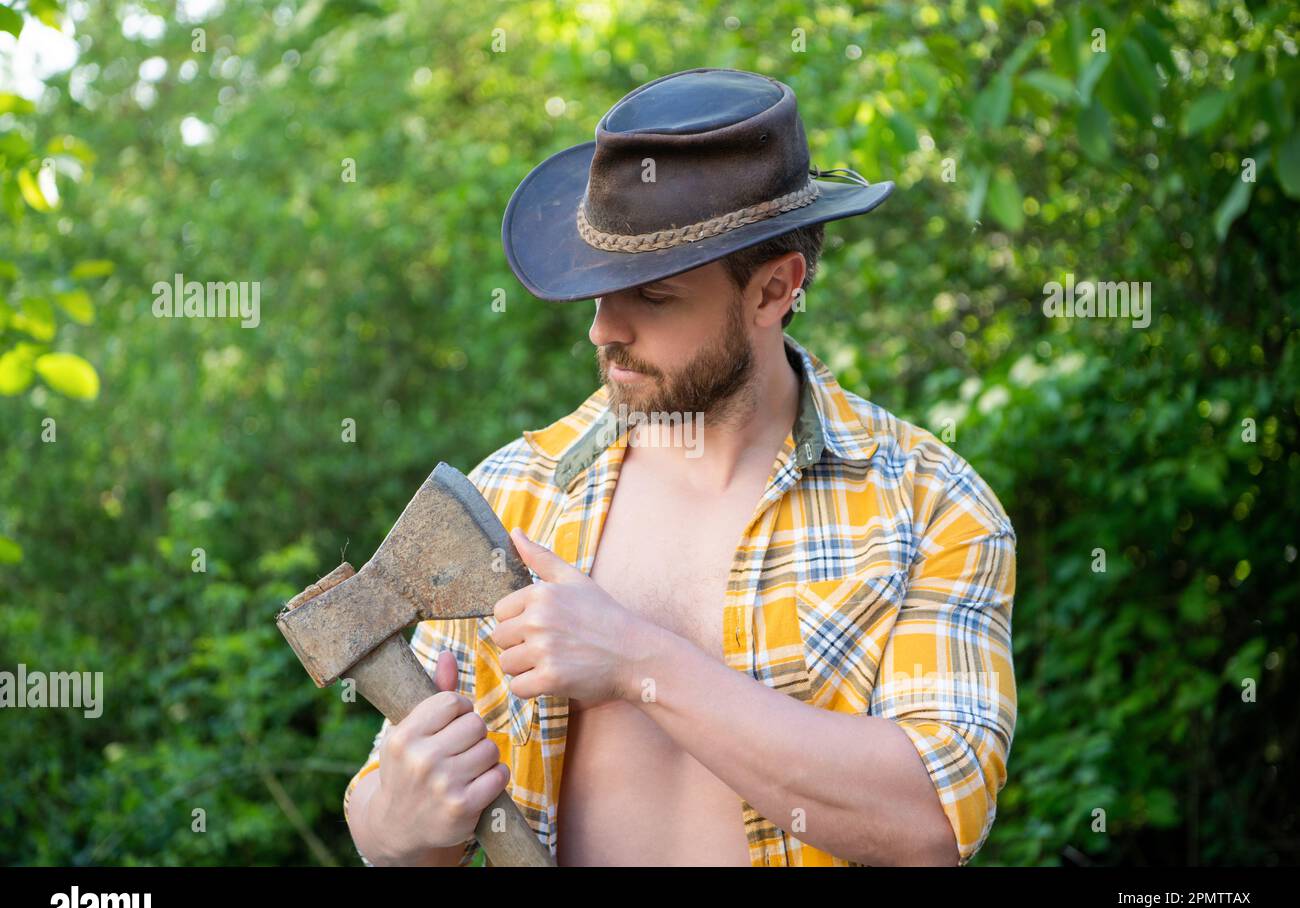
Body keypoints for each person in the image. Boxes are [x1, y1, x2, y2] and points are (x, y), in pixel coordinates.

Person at [343, 67, 1017, 867]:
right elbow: (383, 821)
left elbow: (931, 819)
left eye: (653, 297)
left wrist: (635, 659)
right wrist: (405, 817)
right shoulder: (509, 498)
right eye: (597, 292)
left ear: (774, 289)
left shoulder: (931, 505)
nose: (604, 331)